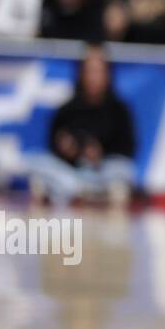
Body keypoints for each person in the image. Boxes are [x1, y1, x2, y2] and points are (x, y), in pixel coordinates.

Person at [26, 44, 137, 207]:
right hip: (71, 170)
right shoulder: (67, 108)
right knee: (35, 162)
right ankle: (79, 190)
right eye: (89, 71)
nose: (93, 77)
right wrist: (66, 150)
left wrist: (99, 154)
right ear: (81, 74)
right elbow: (52, 146)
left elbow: (128, 149)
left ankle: (80, 191)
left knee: (123, 170)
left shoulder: (119, 110)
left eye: (98, 71)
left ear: (107, 74)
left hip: (104, 170)